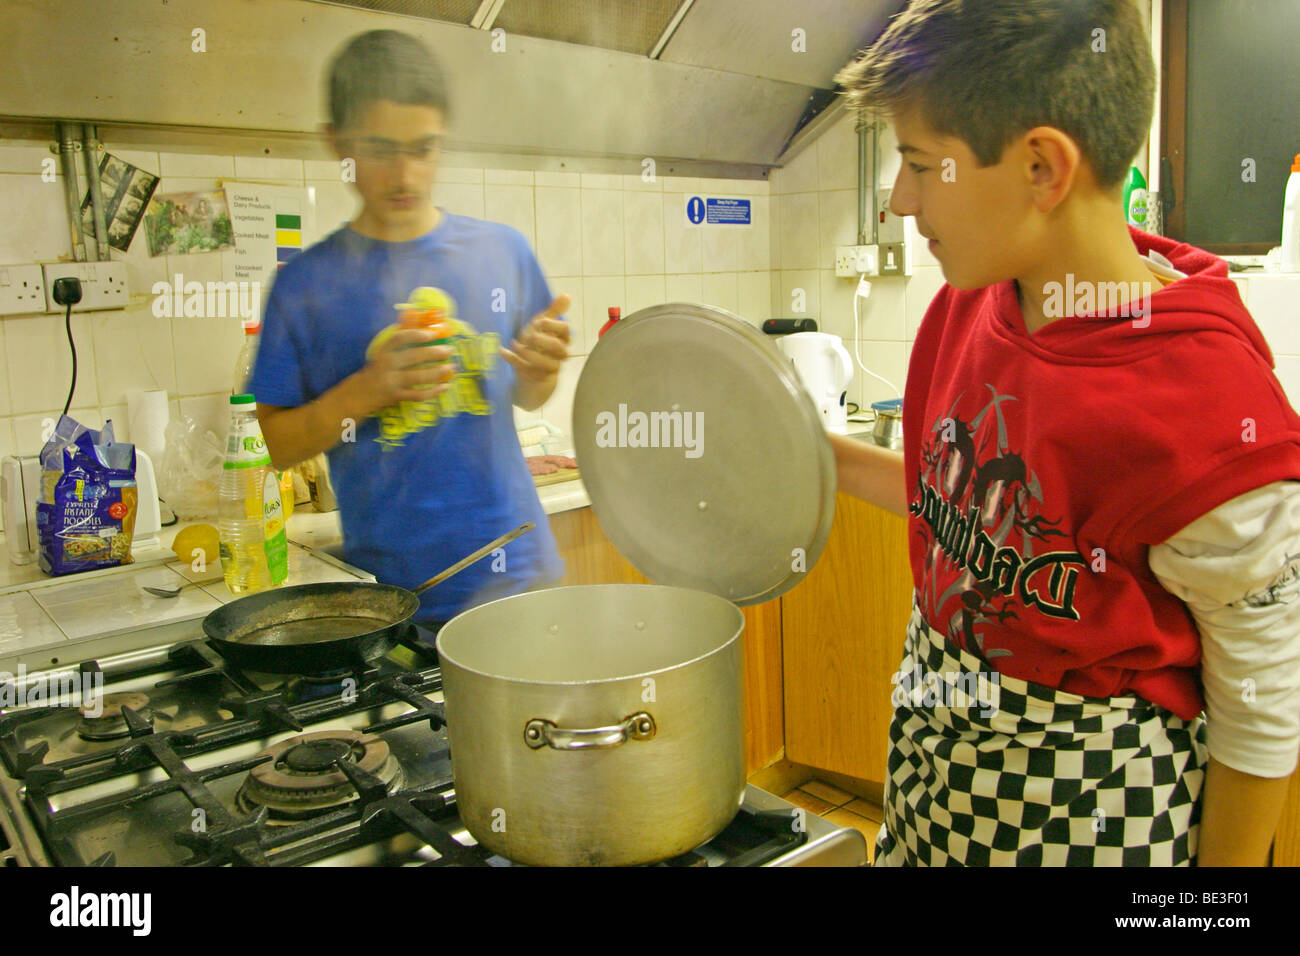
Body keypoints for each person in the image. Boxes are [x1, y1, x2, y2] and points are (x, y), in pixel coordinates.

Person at [829, 0, 1300, 866]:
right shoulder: (971, 300)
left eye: (923, 166)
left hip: (1088, 814)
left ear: (1043, 167)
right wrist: (816, 458)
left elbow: (1265, 706)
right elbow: (961, 509)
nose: (900, 199)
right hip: (938, 783)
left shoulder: (1203, 413)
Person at [249, 30, 571, 627]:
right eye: (379, 149)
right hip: (395, 605)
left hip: (523, 581)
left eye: (423, 149)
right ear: (336, 143)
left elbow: (530, 395)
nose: (405, 176)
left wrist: (539, 373)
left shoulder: (501, 252)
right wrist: (369, 389)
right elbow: (274, 446)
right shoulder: (305, 287)